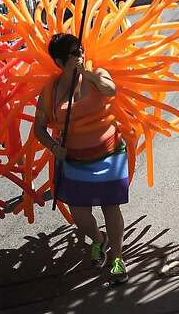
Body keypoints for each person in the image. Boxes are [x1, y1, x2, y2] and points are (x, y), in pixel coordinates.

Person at [33, 33, 129, 284]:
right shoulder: (50, 90)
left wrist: (86, 75)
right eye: (74, 53)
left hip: (109, 153)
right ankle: (99, 240)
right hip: (74, 160)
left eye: (81, 50)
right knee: (80, 214)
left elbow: (111, 90)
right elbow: (39, 128)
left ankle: (117, 258)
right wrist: (54, 147)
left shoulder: (97, 74)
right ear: (59, 61)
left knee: (111, 207)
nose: (80, 55)